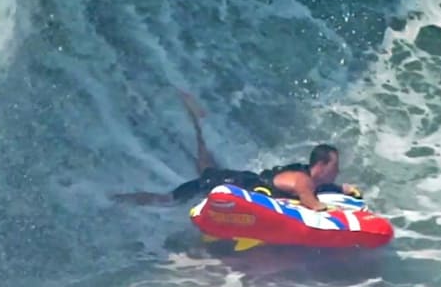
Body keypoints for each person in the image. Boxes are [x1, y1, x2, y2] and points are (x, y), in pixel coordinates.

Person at [111, 89, 360, 211]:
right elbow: (312, 204)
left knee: (206, 165)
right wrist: (338, 210)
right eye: (335, 168)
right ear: (322, 165)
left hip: (238, 179)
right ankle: (118, 200)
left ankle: (195, 120)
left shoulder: (307, 177)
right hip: (225, 183)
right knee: (168, 199)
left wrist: (342, 189)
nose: (337, 172)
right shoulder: (302, 179)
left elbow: (320, 189)